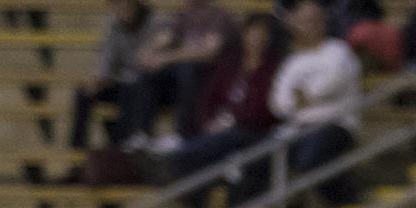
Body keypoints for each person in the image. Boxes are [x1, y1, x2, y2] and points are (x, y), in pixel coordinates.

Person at [264, 1, 362, 204]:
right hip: (298, 129)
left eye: (315, 20)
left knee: (310, 160)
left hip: (335, 125)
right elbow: (278, 103)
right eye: (305, 21)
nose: (310, 26)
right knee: (256, 159)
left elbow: (334, 81)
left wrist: (306, 96)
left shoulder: (338, 50)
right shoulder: (293, 62)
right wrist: (302, 100)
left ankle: (346, 201)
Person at [163, 12, 281, 180]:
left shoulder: (272, 68)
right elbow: (208, 97)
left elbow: (264, 109)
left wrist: (233, 120)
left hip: (249, 131)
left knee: (194, 154)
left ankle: (178, 156)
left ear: (268, 39)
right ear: (245, 35)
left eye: (262, 35)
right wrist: (209, 122)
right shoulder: (230, 64)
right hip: (218, 128)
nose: (257, 39)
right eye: (253, 33)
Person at [133, 0, 237, 143]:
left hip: (211, 76)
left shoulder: (218, 16)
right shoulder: (183, 16)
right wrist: (148, 53)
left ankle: (182, 133)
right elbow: (165, 38)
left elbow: (209, 52)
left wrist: (167, 58)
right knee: (149, 74)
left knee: (187, 69)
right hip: (184, 76)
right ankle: (142, 135)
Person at [70, 0, 157, 151]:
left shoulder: (153, 23)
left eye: (125, 5)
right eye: (116, 6)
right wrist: (99, 80)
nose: (120, 10)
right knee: (83, 94)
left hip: (143, 84)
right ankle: (77, 152)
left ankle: (122, 148)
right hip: (119, 81)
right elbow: (107, 60)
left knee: (130, 91)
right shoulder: (113, 24)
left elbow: (149, 66)